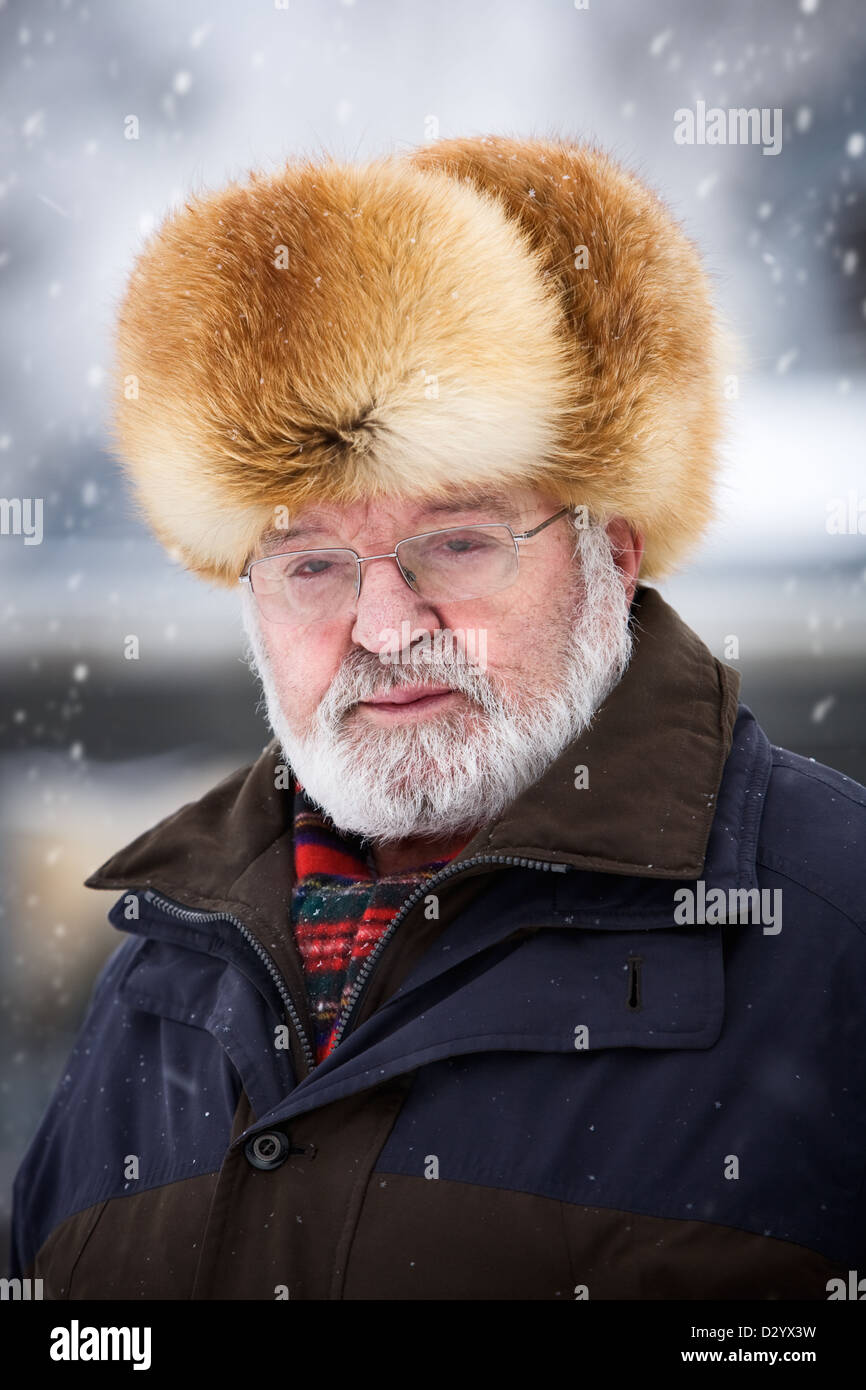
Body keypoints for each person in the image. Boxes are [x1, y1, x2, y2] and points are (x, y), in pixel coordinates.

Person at [9, 134, 866, 1300]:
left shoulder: (833, 932)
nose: (382, 623)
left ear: (608, 556)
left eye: (456, 543)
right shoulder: (159, 973)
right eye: (311, 564)